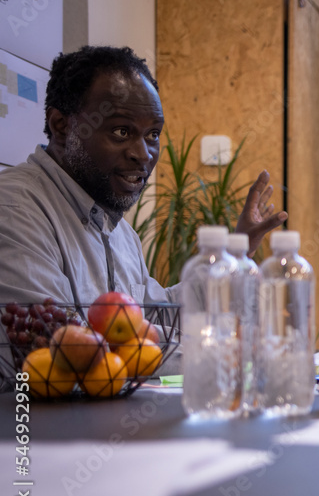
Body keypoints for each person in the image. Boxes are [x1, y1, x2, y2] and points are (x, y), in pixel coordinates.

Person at [0, 45, 286, 309]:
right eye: (121, 131)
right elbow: (54, 349)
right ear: (61, 126)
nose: (144, 154)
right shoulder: (14, 209)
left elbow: (156, 316)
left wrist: (233, 258)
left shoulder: (121, 233)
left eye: (152, 135)